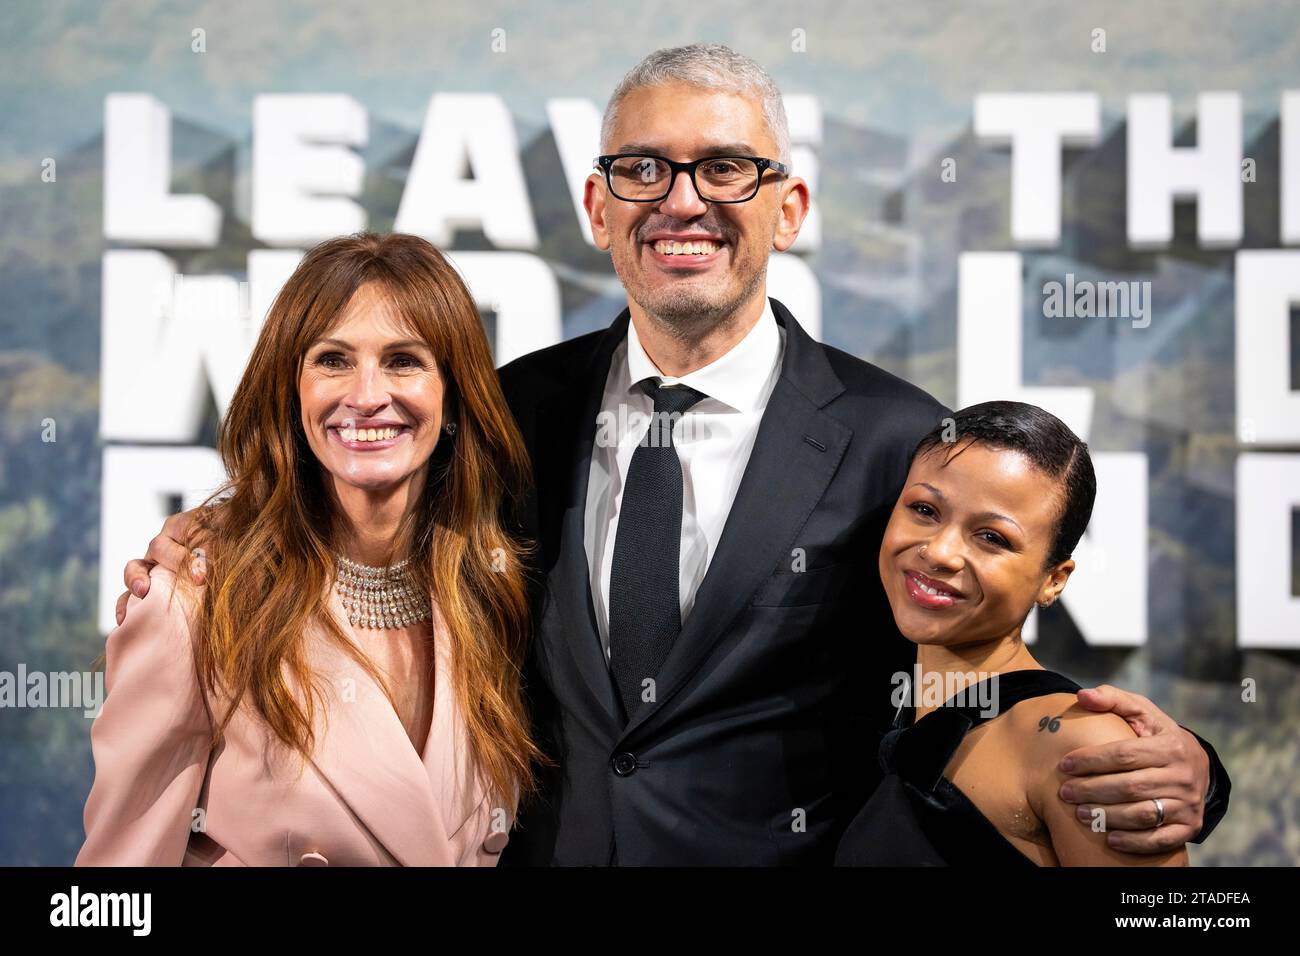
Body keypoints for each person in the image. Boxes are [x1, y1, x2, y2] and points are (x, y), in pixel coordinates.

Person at [117, 44, 1229, 866]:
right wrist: (214, 533)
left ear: (787, 205)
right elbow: (351, 477)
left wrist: (1176, 768)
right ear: (599, 208)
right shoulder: (512, 414)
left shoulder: (898, 436)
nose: (682, 200)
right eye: (644, 169)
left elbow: (979, 652)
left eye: (725, 170)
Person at [79, 233, 542, 866]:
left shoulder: (493, 592)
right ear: (291, 394)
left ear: (453, 397)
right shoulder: (193, 599)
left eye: (405, 360)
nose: (367, 395)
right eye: (333, 360)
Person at [836, 401, 1189, 866]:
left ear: (1054, 579)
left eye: (992, 538)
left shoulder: (1081, 747)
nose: (940, 552)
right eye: (924, 509)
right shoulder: (897, 706)